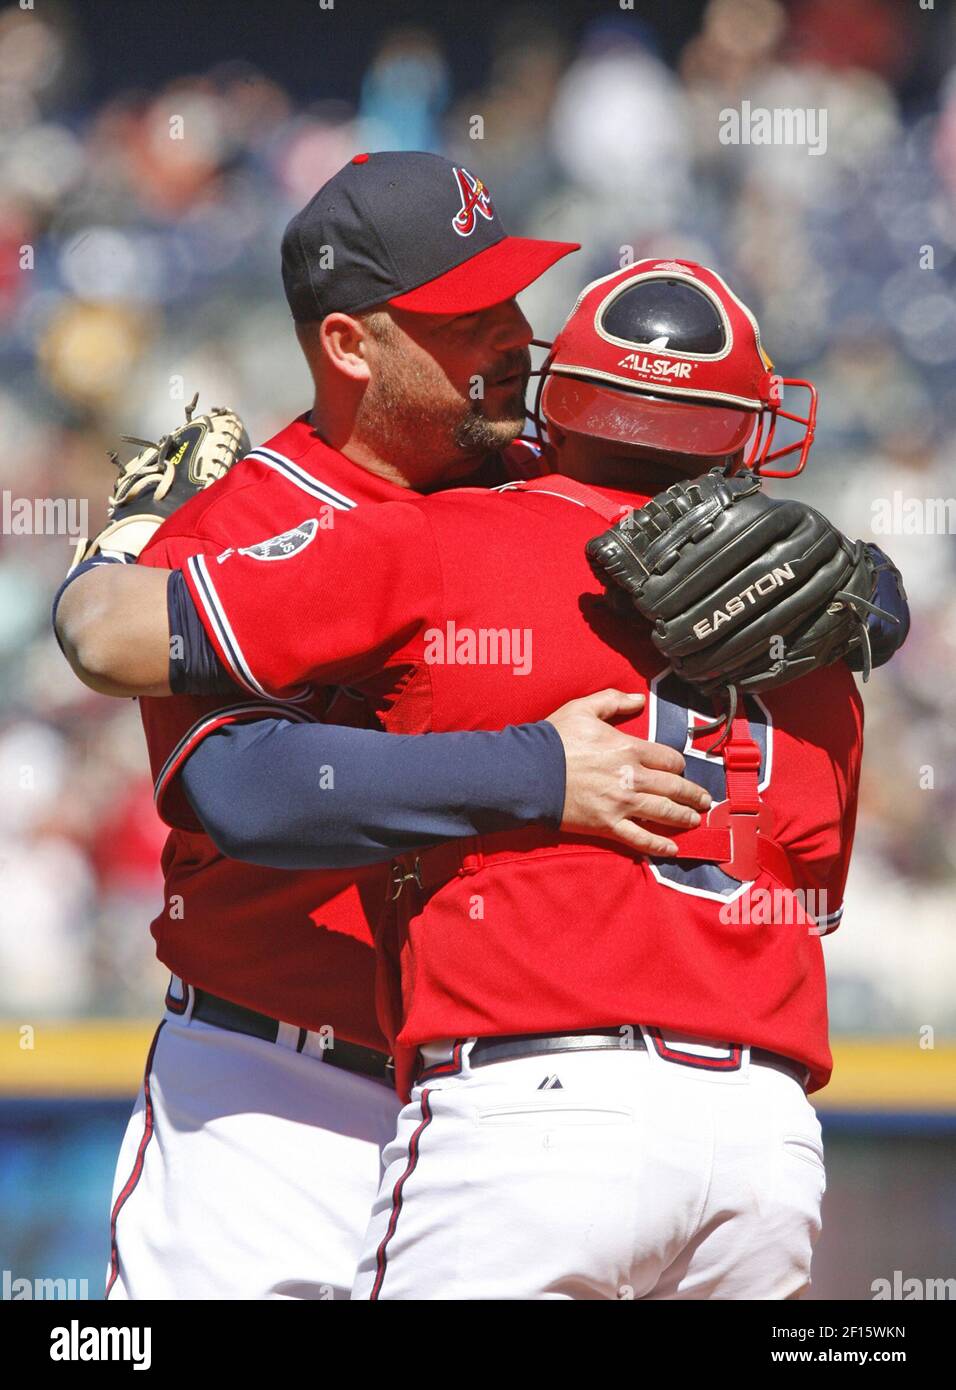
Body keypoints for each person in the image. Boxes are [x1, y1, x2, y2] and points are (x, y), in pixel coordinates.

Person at [64, 258, 909, 1299]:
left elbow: (129, 658)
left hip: (521, 1110)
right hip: (759, 1144)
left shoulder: (441, 541)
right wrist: (539, 769)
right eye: (474, 317)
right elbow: (810, 894)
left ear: (558, 406)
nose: (508, 337)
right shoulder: (825, 646)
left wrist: (119, 551)